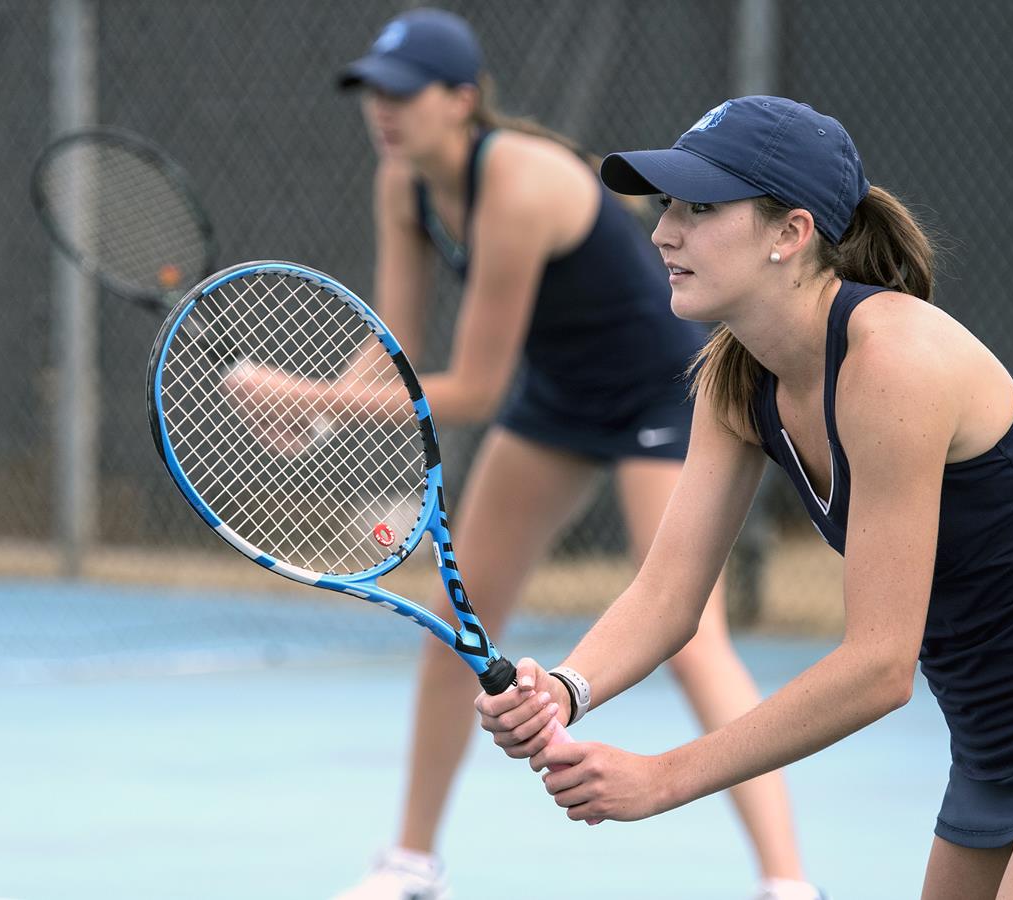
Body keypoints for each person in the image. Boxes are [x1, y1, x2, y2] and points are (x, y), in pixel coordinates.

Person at [478, 96, 1013, 899]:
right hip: (994, 752)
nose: (665, 231)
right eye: (667, 205)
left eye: (700, 207)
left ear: (790, 234)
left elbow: (879, 666)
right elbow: (667, 595)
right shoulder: (735, 381)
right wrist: (568, 687)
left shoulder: (893, 362)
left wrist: (664, 778)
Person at [320, 13, 822, 900]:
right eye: (372, 94)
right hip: (557, 398)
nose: (383, 112)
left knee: (692, 637)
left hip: (654, 388)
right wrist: (328, 413)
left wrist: (307, 403)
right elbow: (390, 342)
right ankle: (410, 865)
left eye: (403, 93)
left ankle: (786, 883)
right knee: (456, 622)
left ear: (463, 100)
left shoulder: (516, 181)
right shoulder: (401, 182)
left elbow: (472, 386)